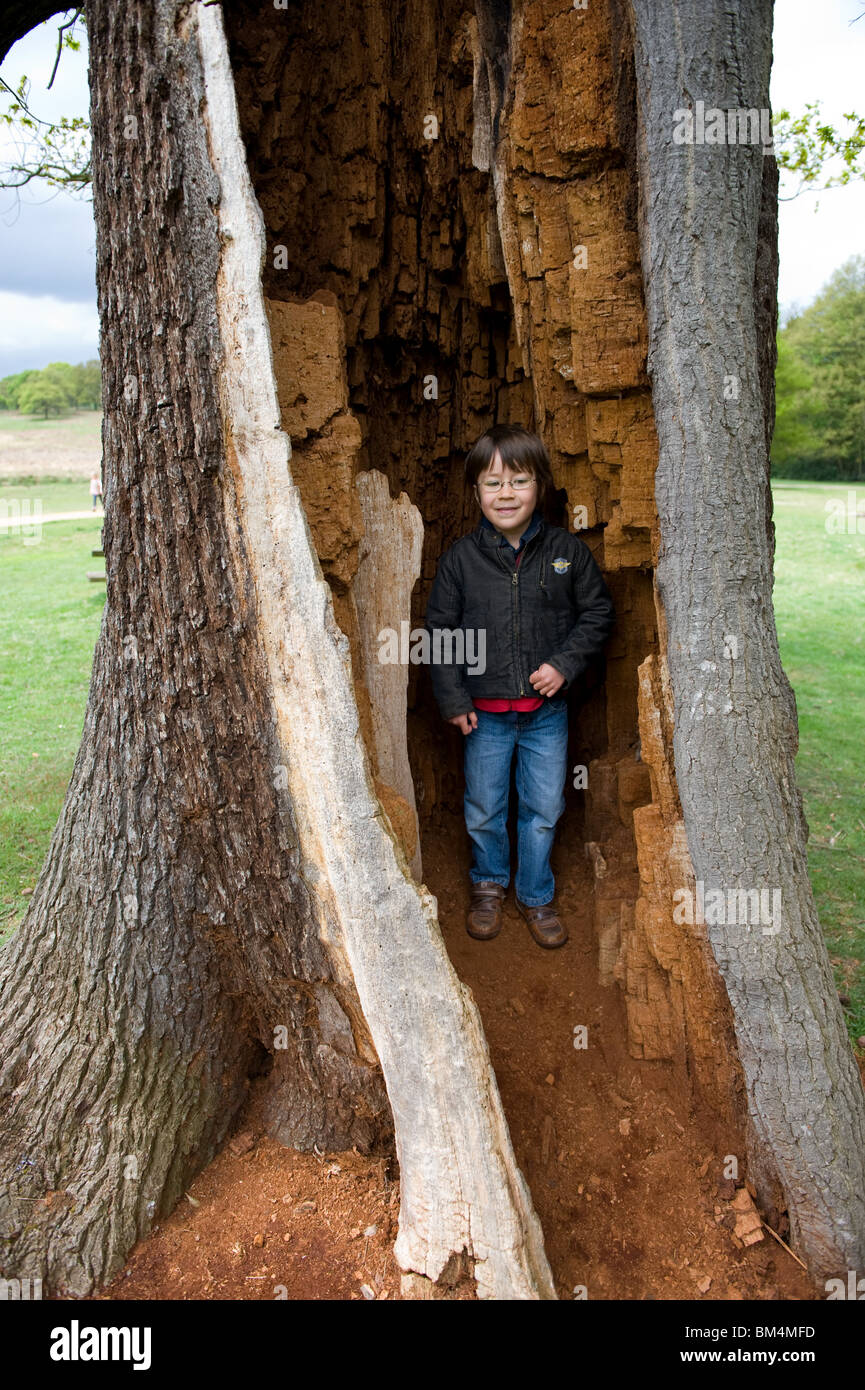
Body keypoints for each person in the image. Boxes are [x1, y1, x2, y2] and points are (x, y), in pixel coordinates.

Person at [424, 425, 615, 949]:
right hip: (483, 716)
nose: (505, 494)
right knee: (484, 806)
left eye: (519, 481)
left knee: (544, 807)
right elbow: (439, 633)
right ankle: (488, 885)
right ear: (476, 492)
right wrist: (455, 699)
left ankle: (535, 894)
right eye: (492, 483)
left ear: (541, 486)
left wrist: (564, 665)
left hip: (545, 715)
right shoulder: (461, 560)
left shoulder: (566, 553)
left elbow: (597, 613)